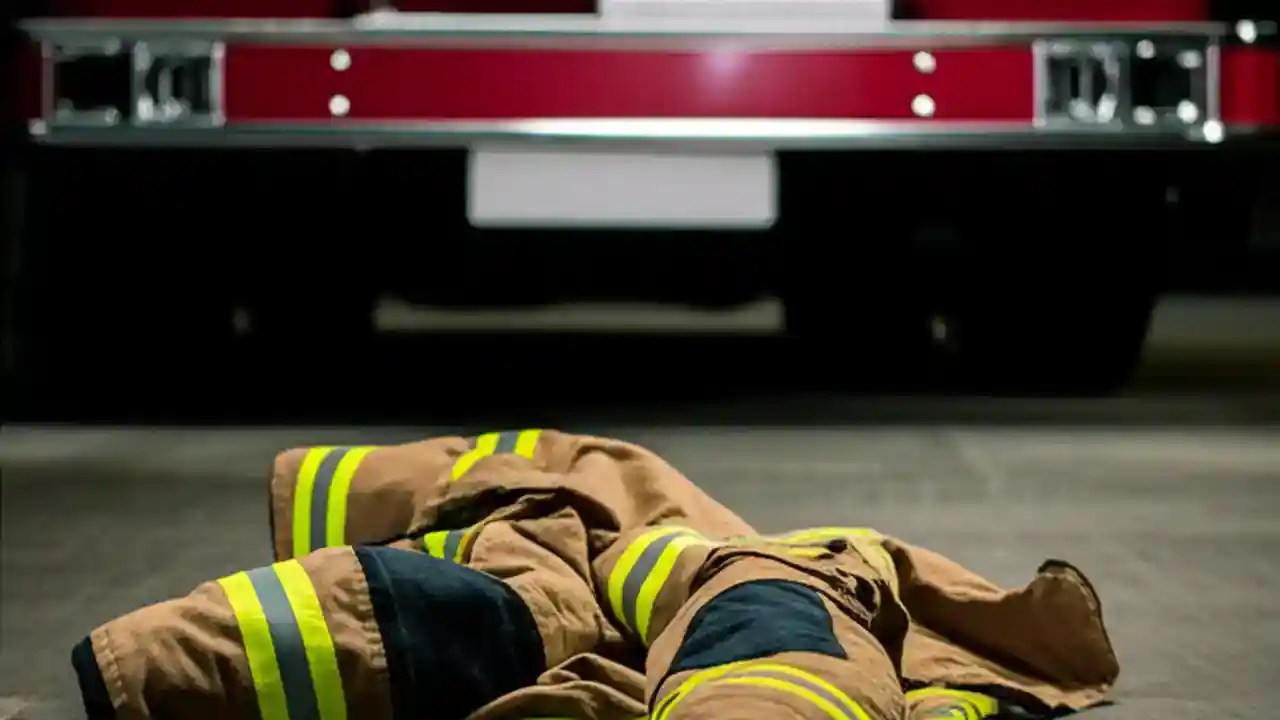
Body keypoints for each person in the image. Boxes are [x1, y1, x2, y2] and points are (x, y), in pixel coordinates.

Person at [73, 430, 1118, 719]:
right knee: (778, 594)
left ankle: (167, 667)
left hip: (171, 666)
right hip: (757, 618)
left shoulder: (533, 512)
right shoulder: (770, 577)